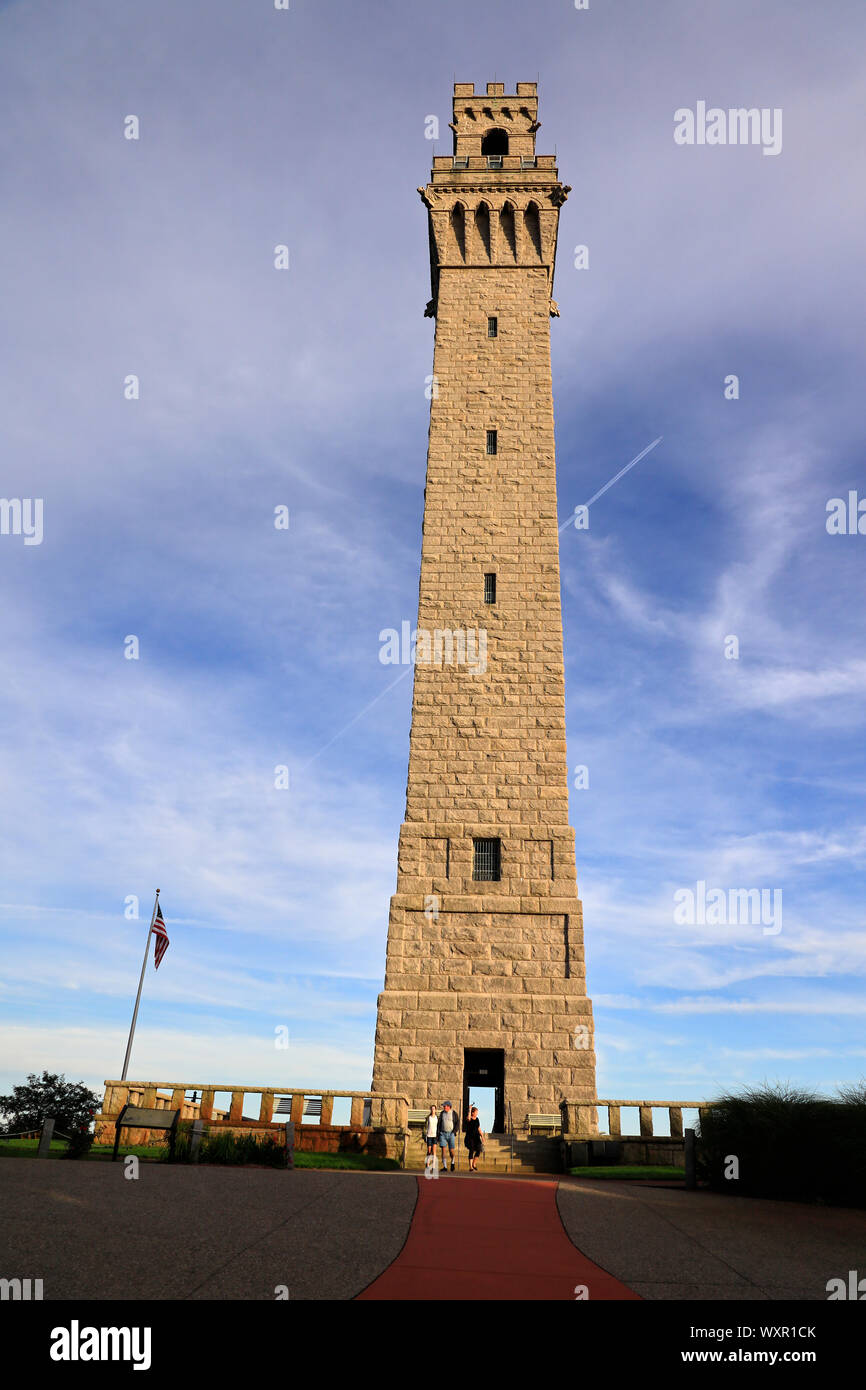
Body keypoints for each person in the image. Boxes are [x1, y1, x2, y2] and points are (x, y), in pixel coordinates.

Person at [437, 1100, 458, 1172]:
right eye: (443, 1106)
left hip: (451, 1134)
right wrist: (438, 1133)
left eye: (445, 1106)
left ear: (449, 1106)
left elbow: (457, 1123)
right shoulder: (442, 1113)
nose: (444, 1107)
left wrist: (454, 1132)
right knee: (443, 1150)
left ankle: (452, 1162)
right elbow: (439, 1123)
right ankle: (445, 1166)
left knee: (451, 1150)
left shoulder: (454, 1113)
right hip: (443, 1133)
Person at [464, 1105, 484, 1172]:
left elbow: (479, 1128)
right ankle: (470, 1167)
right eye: (476, 1112)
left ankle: (474, 1164)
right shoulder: (469, 1118)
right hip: (470, 1137)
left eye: (477, 1112)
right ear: (472, 1113)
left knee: (479, 1150)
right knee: (471, 1150)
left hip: (477, 1137)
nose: (477, 1113)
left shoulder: (477, 1119)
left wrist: (482, 1136)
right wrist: (469, 1109)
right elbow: (468, 1118)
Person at [424, 1104, 438, 1171]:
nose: (433, 1110)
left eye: (434, 1109)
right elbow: (425, 1127)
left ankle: (434, 1166)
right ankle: (427, 1164)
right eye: (432, 1109)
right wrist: (425, 1135)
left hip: (435, 1136)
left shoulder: (437, 1118)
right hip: (429, 1135)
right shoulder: (428, 1117)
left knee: (434, 1151)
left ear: (435, 1110)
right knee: (429, 1151)